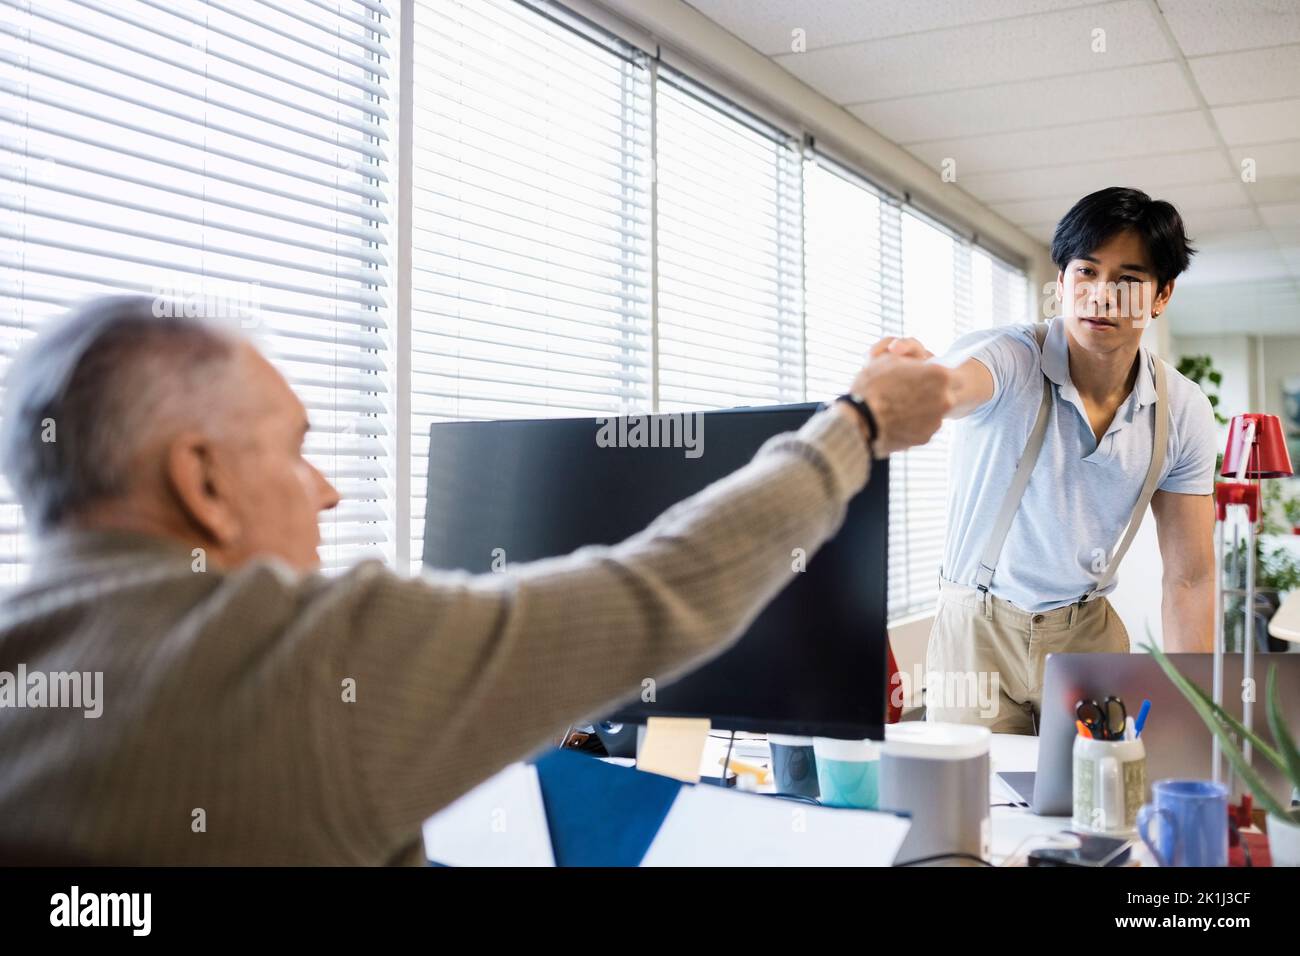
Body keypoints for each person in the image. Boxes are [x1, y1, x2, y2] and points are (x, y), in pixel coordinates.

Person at [0, 295, 949, 864]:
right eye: (296, 454)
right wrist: (860, 423)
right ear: (203, 482)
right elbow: (666, 587)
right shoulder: (301, 659)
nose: (330, 494)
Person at [895, 187, 1217, 734]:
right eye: (1086, 272)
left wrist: (1197, 712)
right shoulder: (1012, 357)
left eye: (1128, 281)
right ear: (1062, 281)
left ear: (1162, 295)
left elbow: (1189, 578)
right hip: (976, 629)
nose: (1101, 296)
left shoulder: (1181, 410)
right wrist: (922, 381)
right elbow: (954, 384)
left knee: (1105, 797)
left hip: (1086, 633)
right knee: (976, 807)